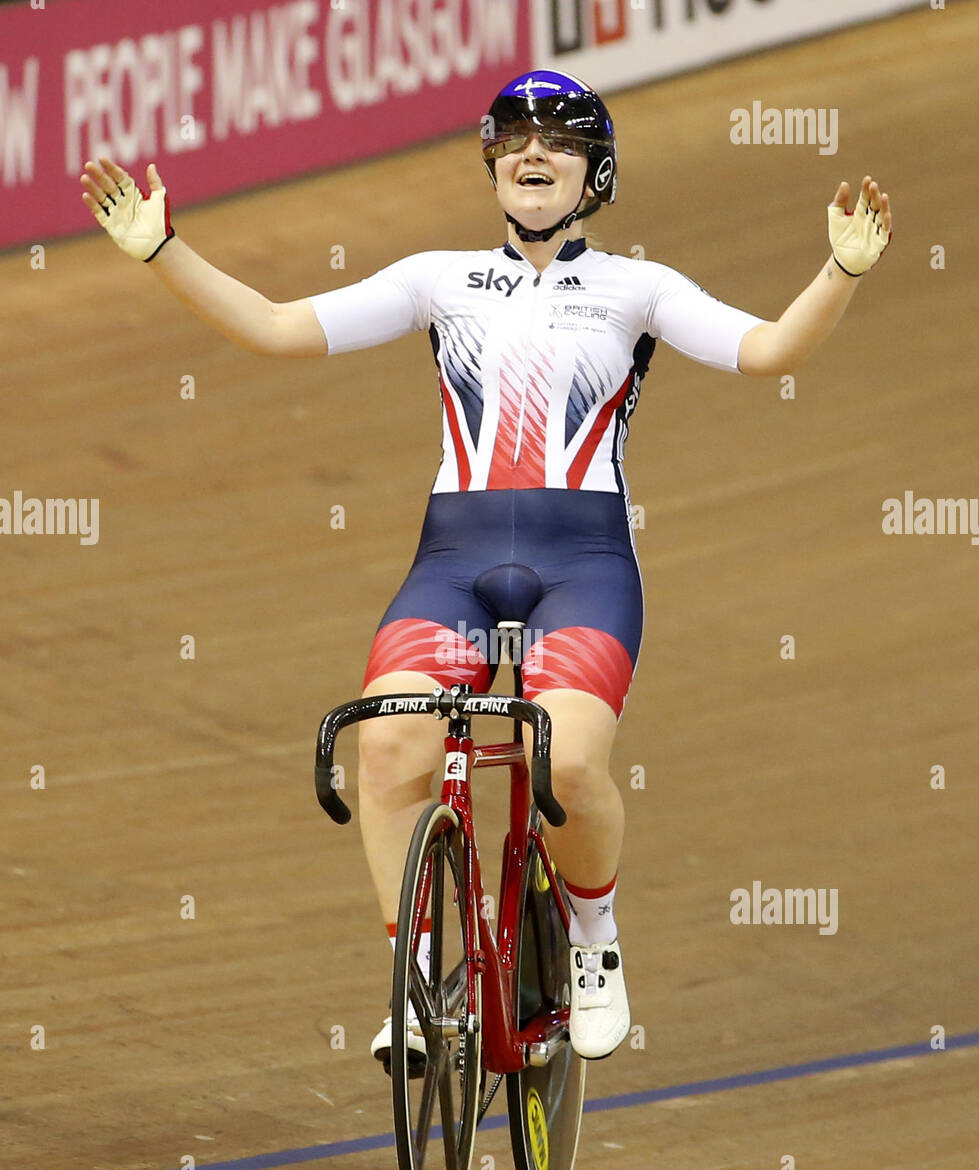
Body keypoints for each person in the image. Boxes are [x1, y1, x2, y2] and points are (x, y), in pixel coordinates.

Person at [81, 68, 892, 1067]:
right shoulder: (439, 279)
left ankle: (593, 941)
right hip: (453, 564)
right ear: (492, 166)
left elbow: (768, 353)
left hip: (582, 565)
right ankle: (417, 984)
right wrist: (165, 250)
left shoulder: (638, 287)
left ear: (595, 172)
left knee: (575, 762)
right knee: (385, 754)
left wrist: (840, 273)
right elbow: (278, 328)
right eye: (514, 140)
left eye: (557, 141)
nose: (533, 154)